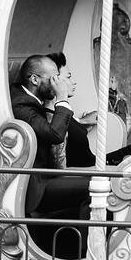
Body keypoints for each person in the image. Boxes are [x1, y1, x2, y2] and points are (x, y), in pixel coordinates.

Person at [10, 55, 90, 221]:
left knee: (99, 180)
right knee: (96, 188)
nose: (57, 83)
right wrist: (62, 98)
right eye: (54, 78)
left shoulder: (32, 100)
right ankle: (84, 246)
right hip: (35, 187)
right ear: (34, 79)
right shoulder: (21, 104)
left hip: (46, 177)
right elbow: (55, 135)